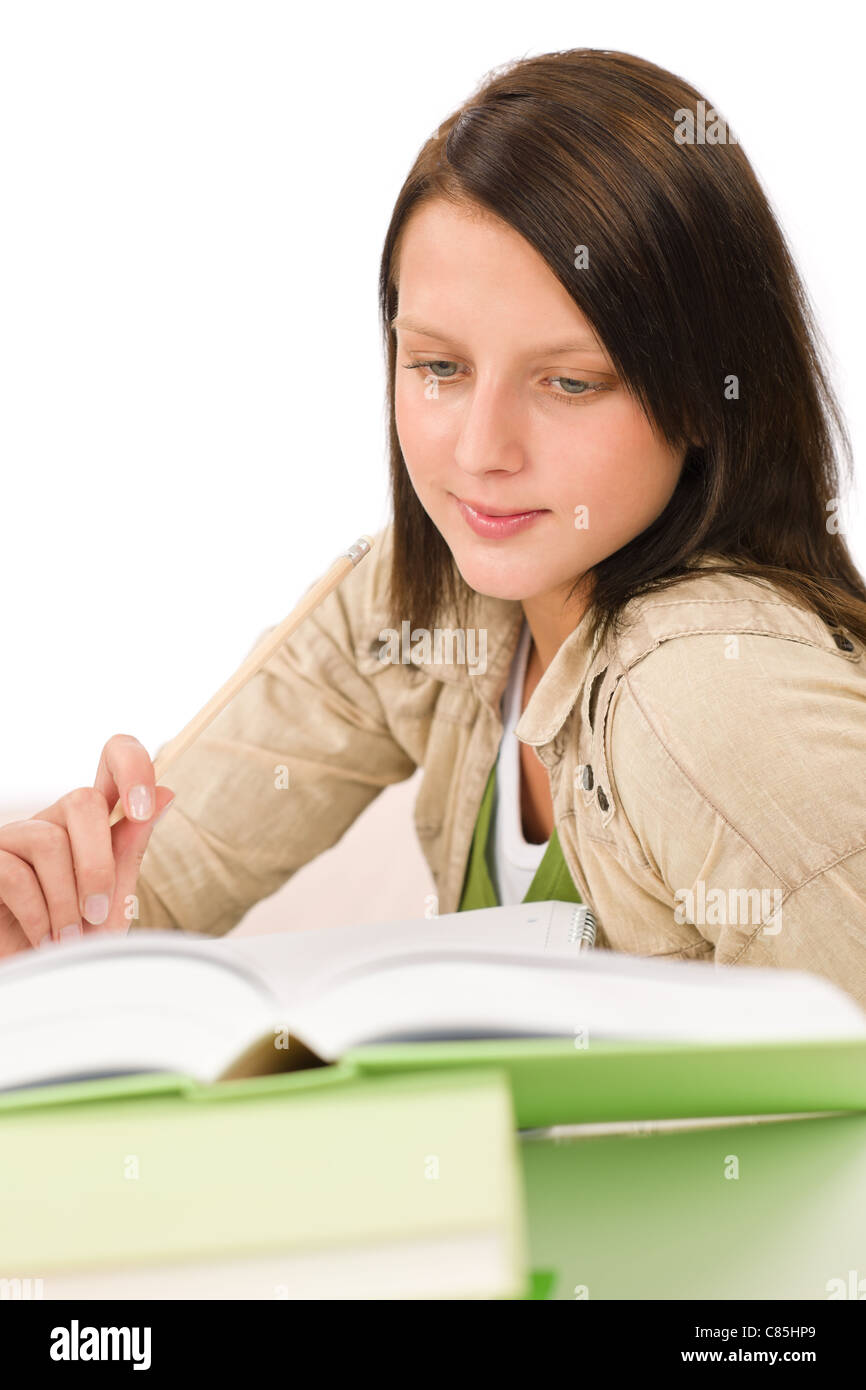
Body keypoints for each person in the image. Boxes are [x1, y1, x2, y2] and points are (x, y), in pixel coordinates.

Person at [3, 49, 866, 1009]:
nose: (480, 451)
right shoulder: (421, 600)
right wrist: (44, 907)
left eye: (569, 382)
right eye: (439, 368)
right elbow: (133, 896)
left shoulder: (717, 696)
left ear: (709, 394)